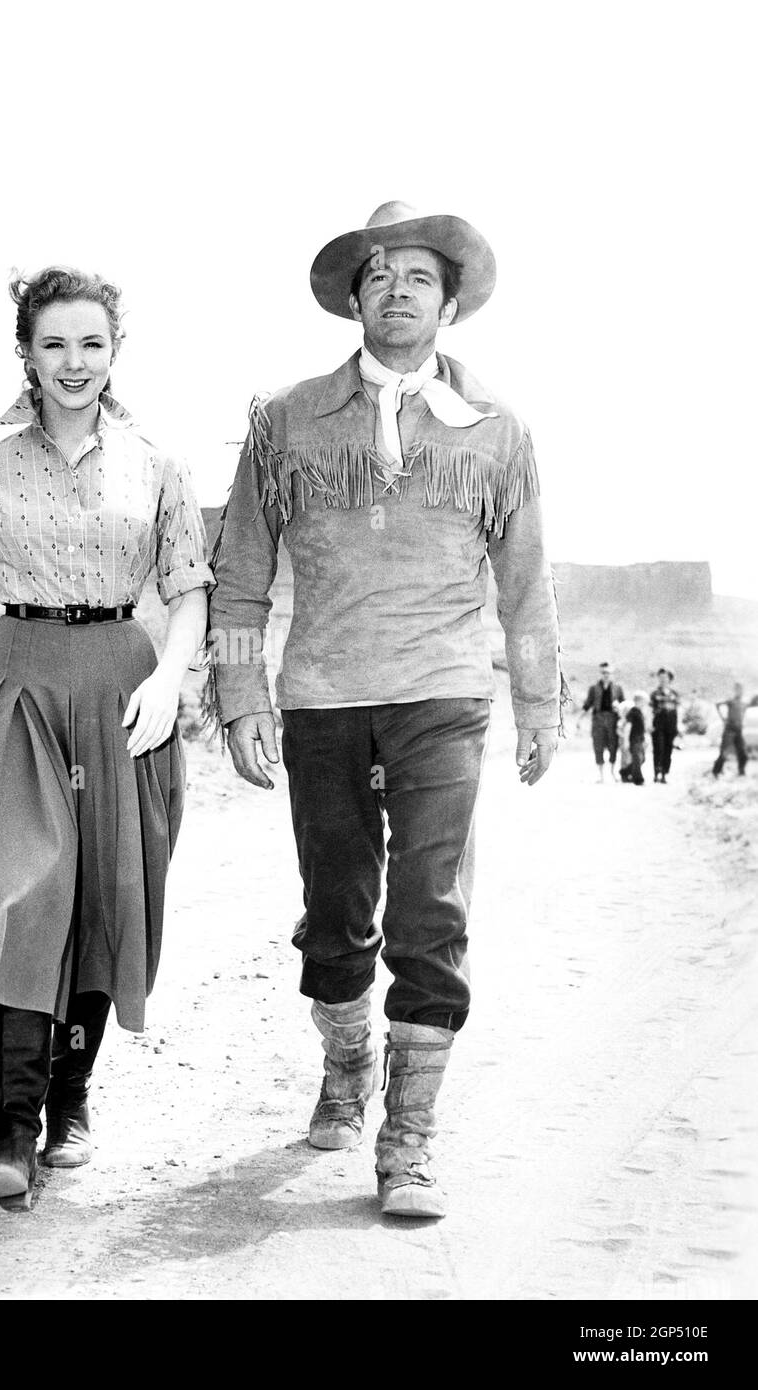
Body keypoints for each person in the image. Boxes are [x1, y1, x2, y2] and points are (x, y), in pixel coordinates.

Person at [204, 200, 564, 1219]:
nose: (395, 293)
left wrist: (534, 703)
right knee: (333, 919)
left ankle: (406, 1139)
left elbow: (524, 582)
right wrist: (238, 694)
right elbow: (239, 575)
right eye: (377, 277)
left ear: (449, 303)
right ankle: (347, 1061)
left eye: (416, 277)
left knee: (430, 911)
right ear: (351, 299)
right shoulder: (281, 422)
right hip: (321, 696)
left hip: (444, 696)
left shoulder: (498, 431)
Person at [0, 266, 214, 1209]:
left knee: (101, 899)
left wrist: (168, 678)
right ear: (25, 355)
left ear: (115, 353)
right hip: (15, 682)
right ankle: (12, 1127)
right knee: (12, 888)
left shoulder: (158, 466)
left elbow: (191, 592)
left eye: (91, 344)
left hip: (122, 689)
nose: (74, 363)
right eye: (53, 344)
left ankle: (71, 1098)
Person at [580, 662, 624, 782]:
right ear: (600, 673)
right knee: (598, 745)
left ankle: (613, 773)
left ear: (612, 674)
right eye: (604, 673)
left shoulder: (618, 688)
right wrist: (580, 719)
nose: (606, 675)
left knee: (613, 745)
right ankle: (601, 775)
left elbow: (624, 705)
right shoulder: (594, 688)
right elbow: (587, 704)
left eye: (608, 673)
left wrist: (618, 706)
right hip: (598, 719)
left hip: (613, 719)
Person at [712, 682, 751, 777]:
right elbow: (717, 705)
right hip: (729, 729)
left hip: (739, 730)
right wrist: (723, 718)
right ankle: (716, 772)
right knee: (724, 752)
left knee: (743, 753)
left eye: (741, 690)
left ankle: (741, 772)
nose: (739, 692)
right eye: (737, 690)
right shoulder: (731, 701)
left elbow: (743, 713)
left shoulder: (744, 702)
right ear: (735, 691)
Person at [649, 667, 680, 783]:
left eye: (665, 677)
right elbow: (650, 710)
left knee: (668, 750)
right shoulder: (654, 694)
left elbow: (678, 710)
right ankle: (657, 773)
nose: (662, 680)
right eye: (660, 677)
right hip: (658, 725)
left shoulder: (674, 694)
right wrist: (649, 724)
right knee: (658, 749)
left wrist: (679, 726)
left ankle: (664, 774)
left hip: (671, 725)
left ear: (669, 679)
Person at [619, 691, 648, 785]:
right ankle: (638, 779)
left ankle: (625, 772)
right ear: (638, 701)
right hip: (634, 739)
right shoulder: (633, 712)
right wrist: (626, 741)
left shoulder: (640, 712)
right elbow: (628, 727)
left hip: (640, 739)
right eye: (644, 701)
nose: (645, 703)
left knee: (642, 759)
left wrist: (645, 739)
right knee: (637, 759)